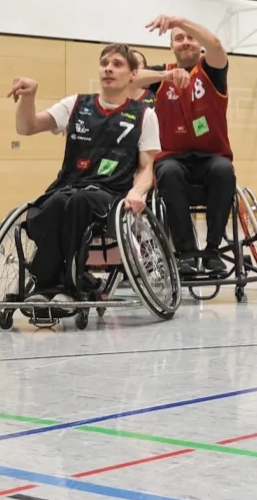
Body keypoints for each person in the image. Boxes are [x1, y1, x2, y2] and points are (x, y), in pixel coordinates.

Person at [8, 43, 159, 312]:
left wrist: (138, 192)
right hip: (69, 186)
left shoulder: (145, 115)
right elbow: (26, 127)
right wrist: (29, 96)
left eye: (117, 64)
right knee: (54, 203)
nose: (108, 69)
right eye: (104, 63)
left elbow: (147, 167)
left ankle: (67, 284)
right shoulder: (76, 104)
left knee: (80, 201)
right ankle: (49, 285)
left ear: (133, 74)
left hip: (111, 193)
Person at [141, 14, 236, 277]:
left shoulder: (213, 71)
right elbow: (131, 78)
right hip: (174, 158)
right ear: (171, 46)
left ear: (199, 44)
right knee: (168, 171)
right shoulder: (162, 76)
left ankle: (213, 251)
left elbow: (216, 44)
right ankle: (186, 252)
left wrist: (178, 22)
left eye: (190, 38)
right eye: (178, 38)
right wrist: (166, 75)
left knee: (223, 171)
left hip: (211, 157)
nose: (185, 42)